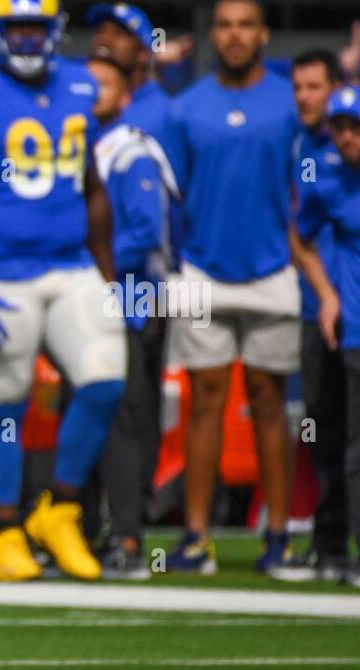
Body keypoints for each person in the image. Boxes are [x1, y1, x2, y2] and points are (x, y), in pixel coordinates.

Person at [0, 0, 124, 583]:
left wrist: (110, 272)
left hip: (70, 265)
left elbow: (91, 185)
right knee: (6, 406)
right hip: (4, 272)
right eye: (15, 27)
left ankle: (58, 510)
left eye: (35, 28)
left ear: (54, 32)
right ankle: (4, 529)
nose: (25, 39)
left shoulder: (80, 84)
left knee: (105, 381)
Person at [161, 0, 329, 575]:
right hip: (201, 272)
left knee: (270, 404)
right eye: (225, 25)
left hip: (274, 271)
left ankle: (278, 536)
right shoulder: (186, 108)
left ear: (262, 34)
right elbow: (174, 195)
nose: (234, 35)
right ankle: (196, 536)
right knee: (202, 405)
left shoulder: (290, 104)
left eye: (245, 25)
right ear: (215, 34)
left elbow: (304, 188)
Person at [85, 55, 180, 579]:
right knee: (104, 412)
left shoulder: (130, 148)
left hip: (131, 295)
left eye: (104, 83)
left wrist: (93, 269)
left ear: (125, 95)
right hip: (106, 295)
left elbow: (145, 232)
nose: (92, 92)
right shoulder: (89, 146)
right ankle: (97, 528)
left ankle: (127, 534)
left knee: (127, 417)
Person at [275, 50, 348, 582]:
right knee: (321, 427)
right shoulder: (294, 140)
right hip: (312, 305)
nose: (304, 96)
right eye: (298, 86)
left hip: (351, 305)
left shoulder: (343, 144)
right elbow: (296, 233)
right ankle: (327, 542)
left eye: (315, 86)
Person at [297, 87, 360, 587]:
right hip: (350, 331)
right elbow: (300, 236)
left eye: (354, 126)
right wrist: (326, 293)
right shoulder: (324, 178)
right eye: (339, 126)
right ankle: (336, 545)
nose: (346, 136)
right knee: (337, 441)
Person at [88, 3, 169, 142]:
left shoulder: (163, 113)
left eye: (119, 34)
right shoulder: (79, 93)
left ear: (144, 52)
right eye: (101, 31)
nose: (105, 39)